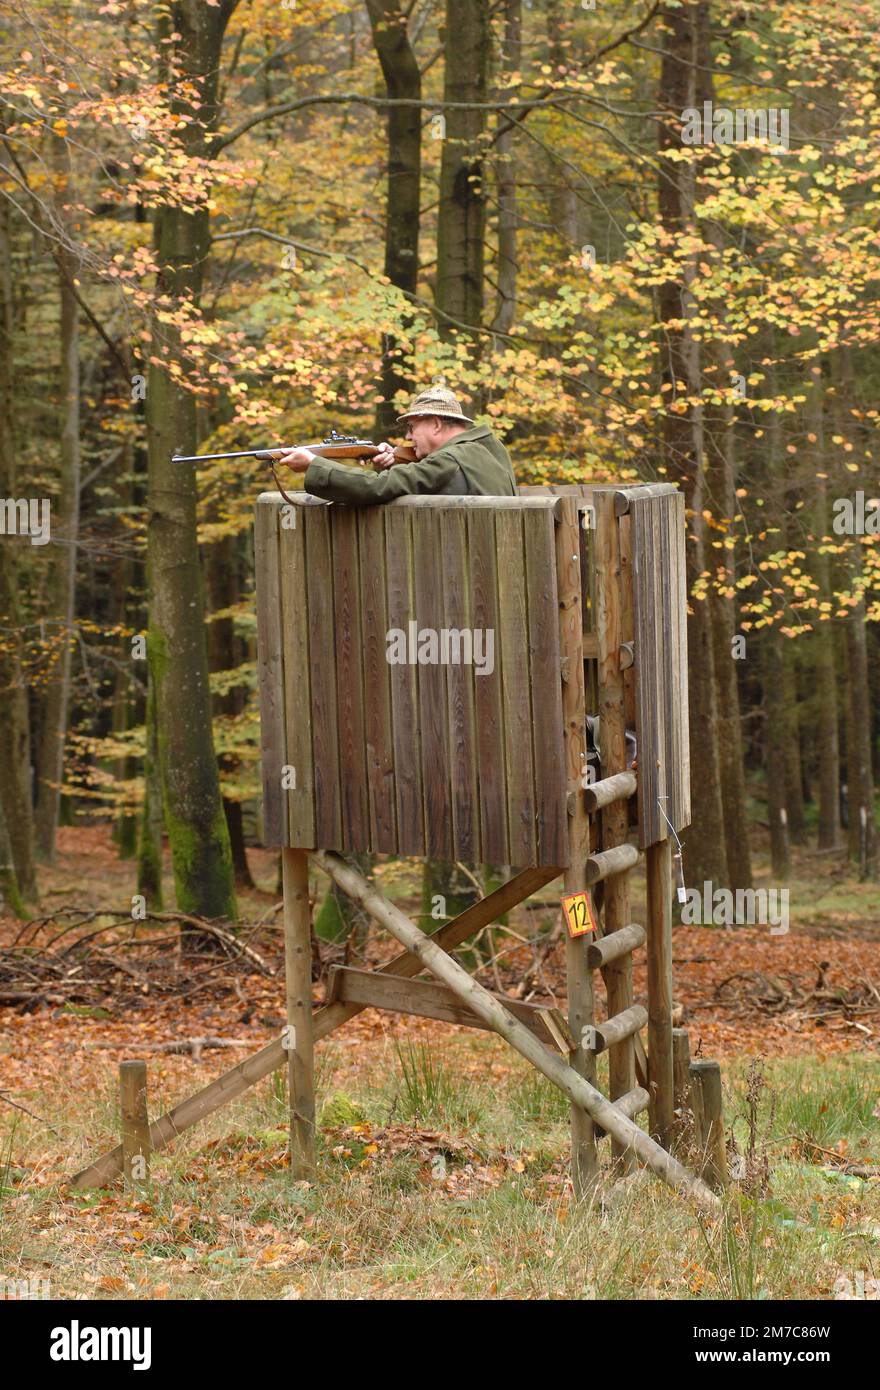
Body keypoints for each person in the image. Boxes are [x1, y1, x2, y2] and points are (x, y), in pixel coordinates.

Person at [271, 387, 517, 505]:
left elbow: (377, 488)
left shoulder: (449, 460)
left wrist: (314, 464)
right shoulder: (490, 449)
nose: (408, 437)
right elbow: (443, 482)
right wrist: (397, 461)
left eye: (411, 428)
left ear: (435, 424)